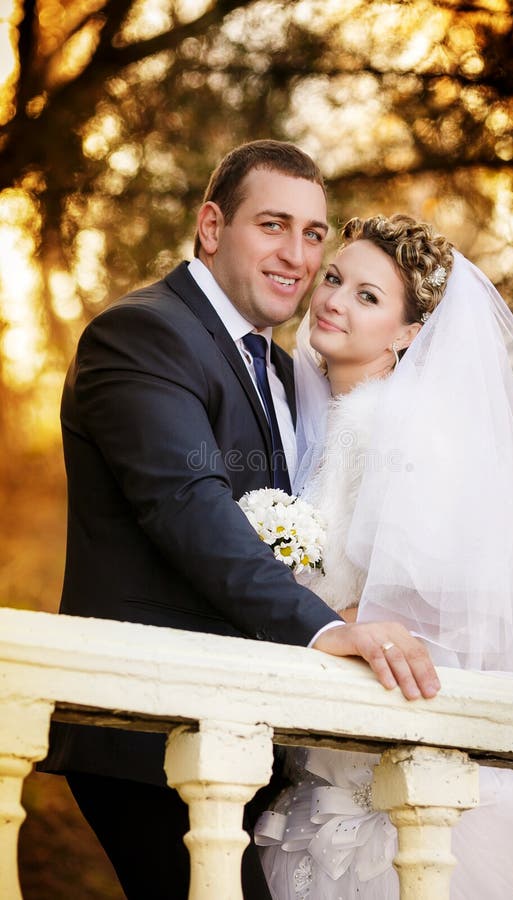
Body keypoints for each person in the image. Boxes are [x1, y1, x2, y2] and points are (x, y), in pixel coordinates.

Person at [38, 143, 440, 900]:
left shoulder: (284, 370)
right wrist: (325, 625)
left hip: (245, 734)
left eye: (314, 234)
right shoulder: (144, 335)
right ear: (213, 226)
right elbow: (188, 507)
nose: (297, 254)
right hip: (149, 732)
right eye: (273, 225)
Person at [256, 214, 513, 898]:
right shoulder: (311, 425)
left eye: (368, 296)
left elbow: (449, 622)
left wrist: (326, 618)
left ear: (411, 334)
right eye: (334, 278)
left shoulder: (407, 433)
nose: (333, 299)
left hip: (397, 800)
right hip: (317, 784)